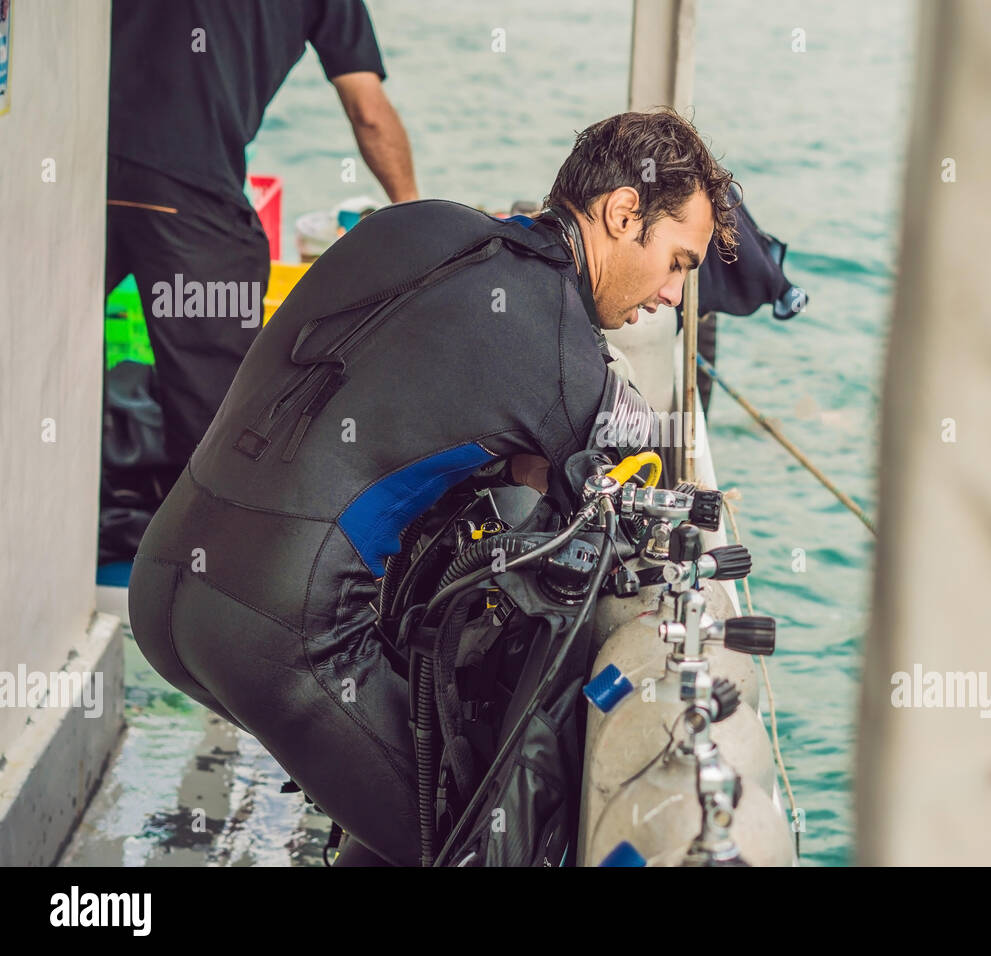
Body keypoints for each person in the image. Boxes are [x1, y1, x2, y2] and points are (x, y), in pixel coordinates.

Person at [127, 108, 739, 866]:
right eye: (678, 261)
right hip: (278, 631)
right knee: (470, 836)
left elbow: (409, 388)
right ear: (622, 212)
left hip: (162, 583)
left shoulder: (422, 224)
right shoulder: (562, 351)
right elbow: (633, 461)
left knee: (388, 804)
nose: (675, 294)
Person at [102, 0, 417, 563]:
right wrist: (415, 213)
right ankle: (212, 557)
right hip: (184, 184)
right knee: (222, 396)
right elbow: (367, 110)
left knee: (36, 346)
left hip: (75, 163)